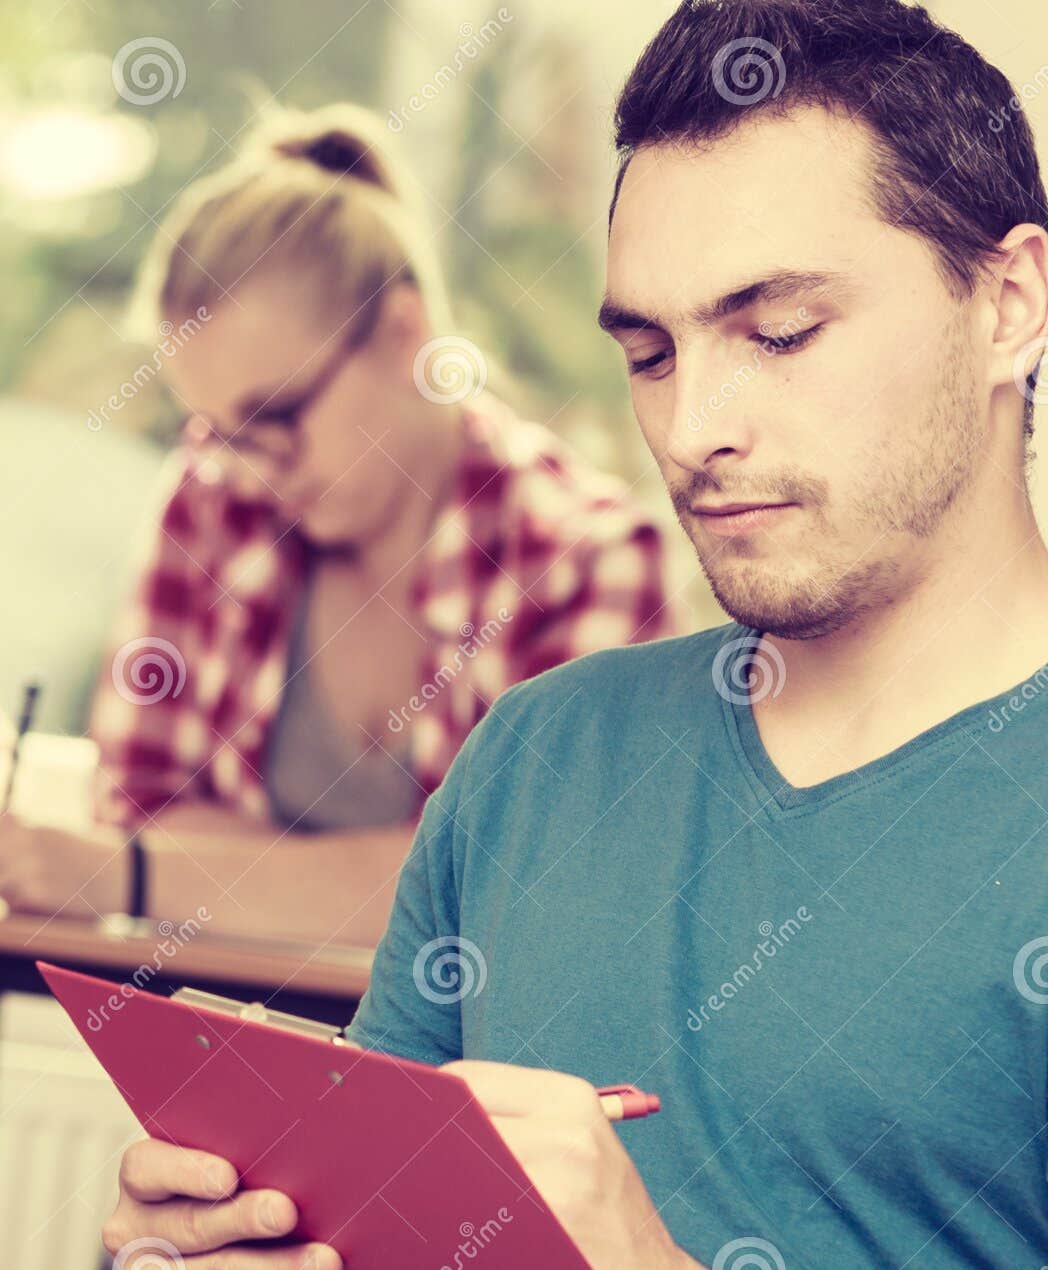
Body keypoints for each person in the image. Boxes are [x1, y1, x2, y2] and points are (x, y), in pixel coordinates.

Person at [4, 0, 1048, 1270]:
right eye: (650, 352)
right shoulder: (535, 753)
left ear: (1010, 302)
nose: (694, 428)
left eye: (780, 330)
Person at [0, 104, 673, 947]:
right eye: (221, 431)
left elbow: (524, 896)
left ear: (403, 332)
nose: (252, 468)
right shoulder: (209, 496)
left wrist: (130, 875)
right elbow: (136, 803)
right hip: (206, 1014)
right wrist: (382, 878)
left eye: (278, 416)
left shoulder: (588, 557)